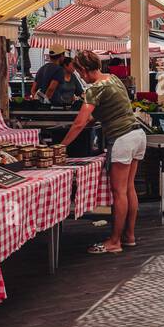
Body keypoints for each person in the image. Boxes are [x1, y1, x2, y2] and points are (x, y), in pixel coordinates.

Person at [61, 51, 146, 255]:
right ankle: (129, 236)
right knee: (129, 188)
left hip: (122, 139)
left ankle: (114, 241)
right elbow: (102, 113)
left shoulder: (95, 89)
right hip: (138, 134)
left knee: (119, 193)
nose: (80, 76)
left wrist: (61, 146)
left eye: (79, 72)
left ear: (83, 69)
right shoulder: (113, 79)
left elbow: (80, 122)